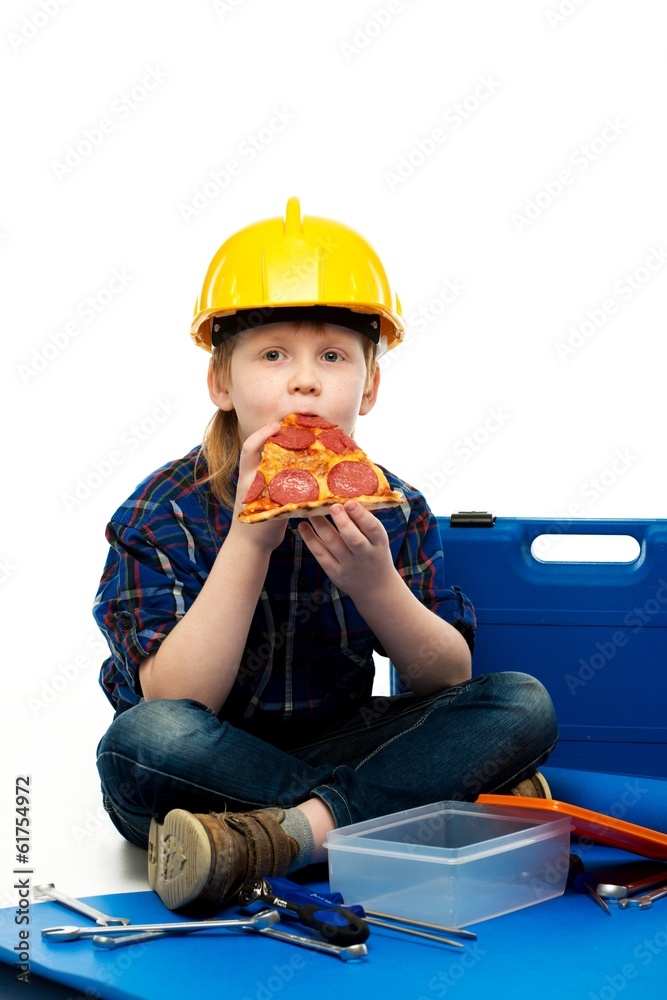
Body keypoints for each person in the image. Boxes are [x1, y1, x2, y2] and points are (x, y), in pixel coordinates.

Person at [94, 197, 558, 913]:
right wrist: (250, 538)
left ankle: (279, 838)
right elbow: (177, 701)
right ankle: (417, 806)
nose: (304, 380)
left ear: (367, 386)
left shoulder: (393, 504)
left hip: (337, 737)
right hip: (205, 762)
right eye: (272, 354)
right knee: (144, 740)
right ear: (221, 383)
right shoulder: (163, 510)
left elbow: (444, 677)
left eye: (332, 357)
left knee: (520, 704)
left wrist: (376, 585)